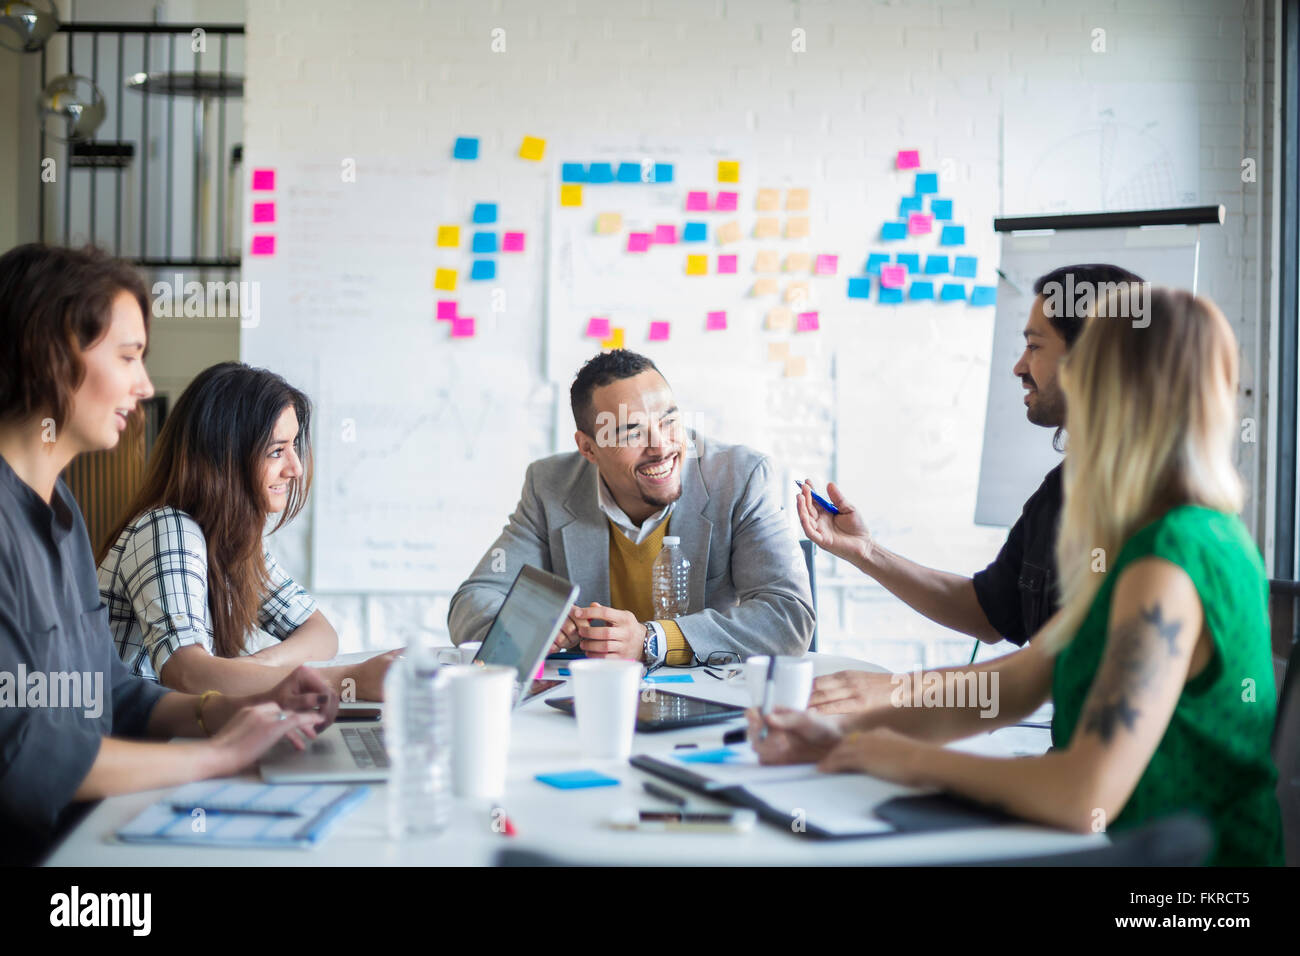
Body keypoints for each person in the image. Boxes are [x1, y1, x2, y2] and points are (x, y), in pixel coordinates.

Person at [750, 287, 1284, 866]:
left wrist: (901, 758)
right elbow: (1007, 689)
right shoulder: (1136, 540)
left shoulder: (1175, 556)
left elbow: (1084, 796)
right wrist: (847, 734)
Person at [0, 244, 335, 865]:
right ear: (48, 357)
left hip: (86, 833)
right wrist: (214, 755)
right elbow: (17, 753)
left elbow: (112, 693)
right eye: (128, 356)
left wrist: (241, 709)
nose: (145, 385)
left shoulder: (61, 515)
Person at [803, 263, 1143, 714]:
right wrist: (864, 551)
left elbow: (1051, 669)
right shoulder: (1061, 491)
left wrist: (898, 692)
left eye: (1034, 346)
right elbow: (988, 612)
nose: (1019, 366)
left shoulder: (1146, 508)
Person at [449, 349, 814, 665]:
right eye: (631, 432)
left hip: (711, 703)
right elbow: (472, 602)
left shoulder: (740, 477)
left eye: (669, 420)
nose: (661, 447)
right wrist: (534, 626)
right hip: (590, 703)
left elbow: (788, 618)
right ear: (588, 448)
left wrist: (652, 641)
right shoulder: (550, 486)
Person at [97, 362, 396, 700]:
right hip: (136, 745)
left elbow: (321, 634)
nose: (296, 468)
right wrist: (347, 681)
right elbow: (189, 674)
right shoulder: (167, 529)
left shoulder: (229, 539)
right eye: (276, 451)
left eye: (294, 446)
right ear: (223, 459)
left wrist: (256, 668)